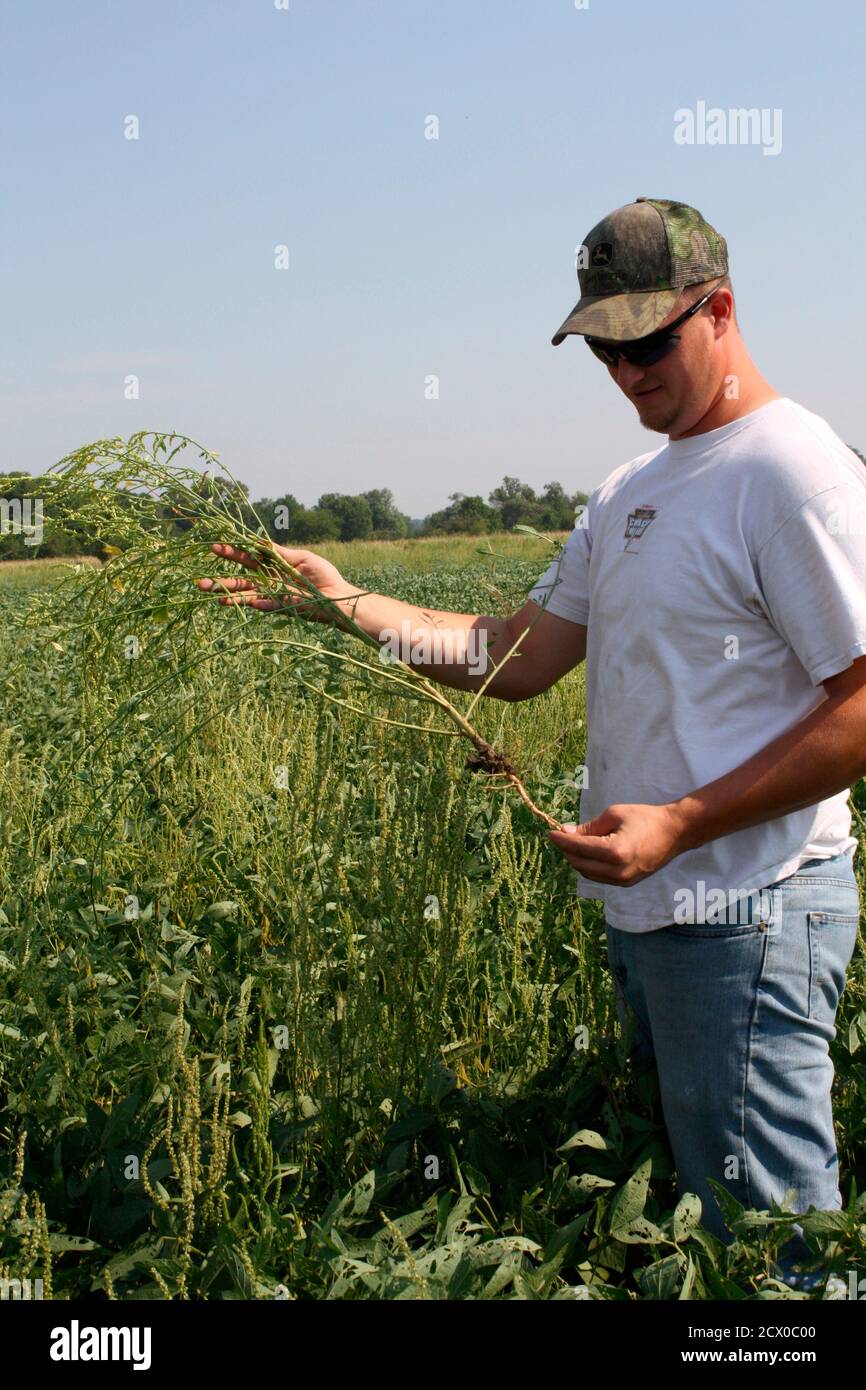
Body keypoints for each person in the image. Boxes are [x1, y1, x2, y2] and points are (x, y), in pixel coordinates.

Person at [198, 197, 866, 1294]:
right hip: (650, 913)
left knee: (776, 1245)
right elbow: (508, 657)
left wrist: (685, 822)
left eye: (645, 340)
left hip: (750, 907)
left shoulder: (790, 470)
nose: (625, 371)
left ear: (721, 310)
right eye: (602, 347)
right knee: (699, 1221)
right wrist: (338, 600)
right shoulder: (628, 494)